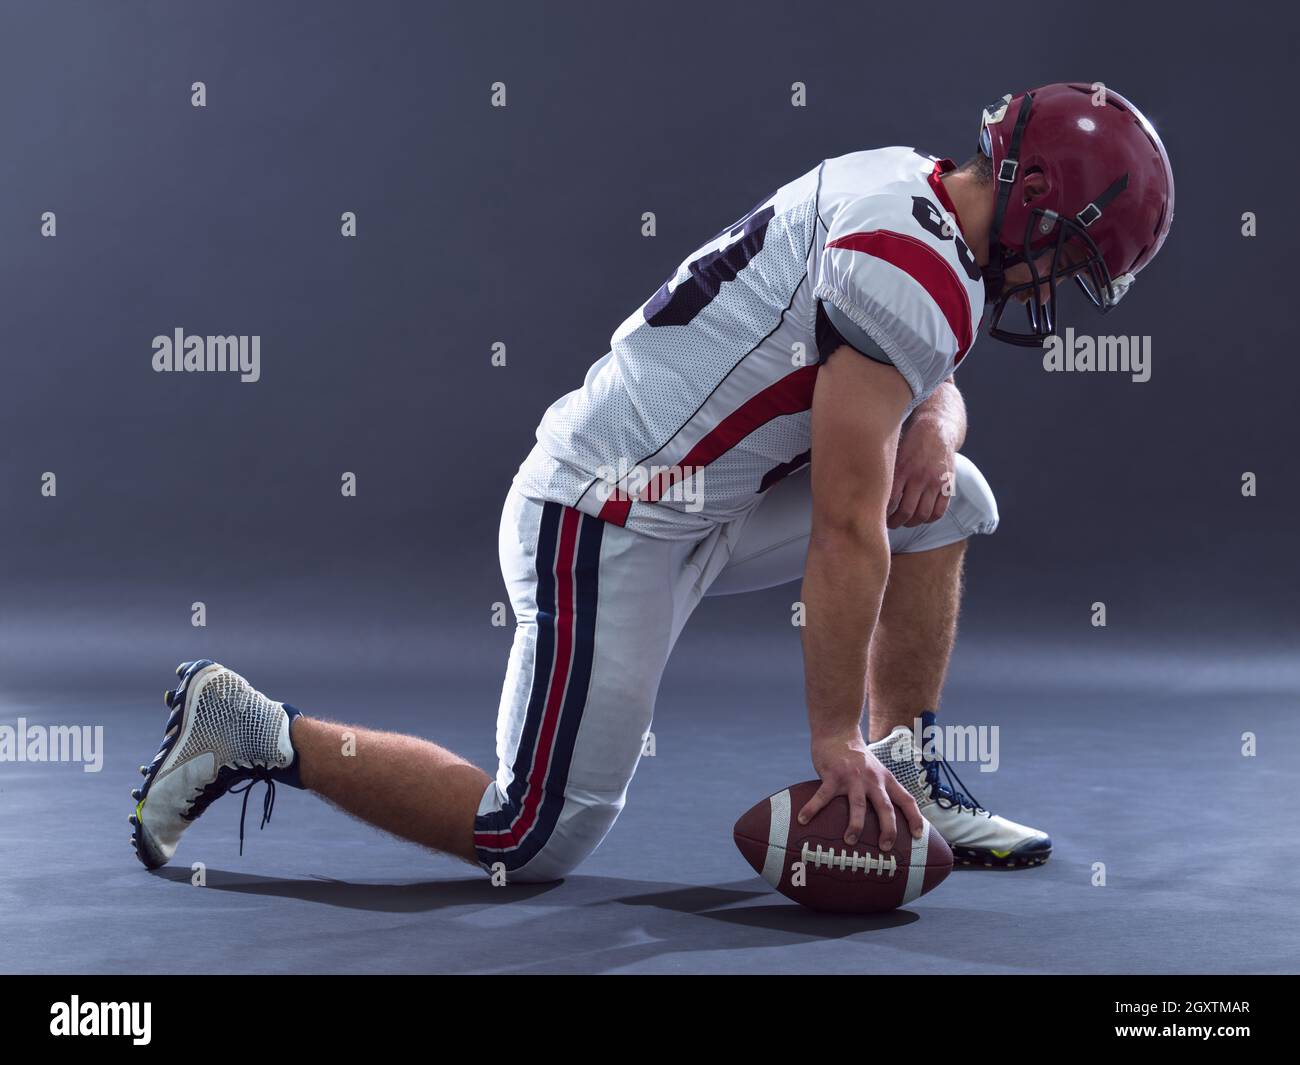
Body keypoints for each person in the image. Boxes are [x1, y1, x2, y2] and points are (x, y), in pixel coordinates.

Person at [130, 82, 1174, 882]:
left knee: (953, 496)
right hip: (605, 515)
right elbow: (847, 530)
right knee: (528, 840)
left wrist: (935, 434)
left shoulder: (915, 187)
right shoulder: (911, 271)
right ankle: (251, 731)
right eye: (1071, 262)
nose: (1058, 293)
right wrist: (826, 742)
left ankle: (905, 766)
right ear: (1038, 201)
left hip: (701, 498)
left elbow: (923, 392)